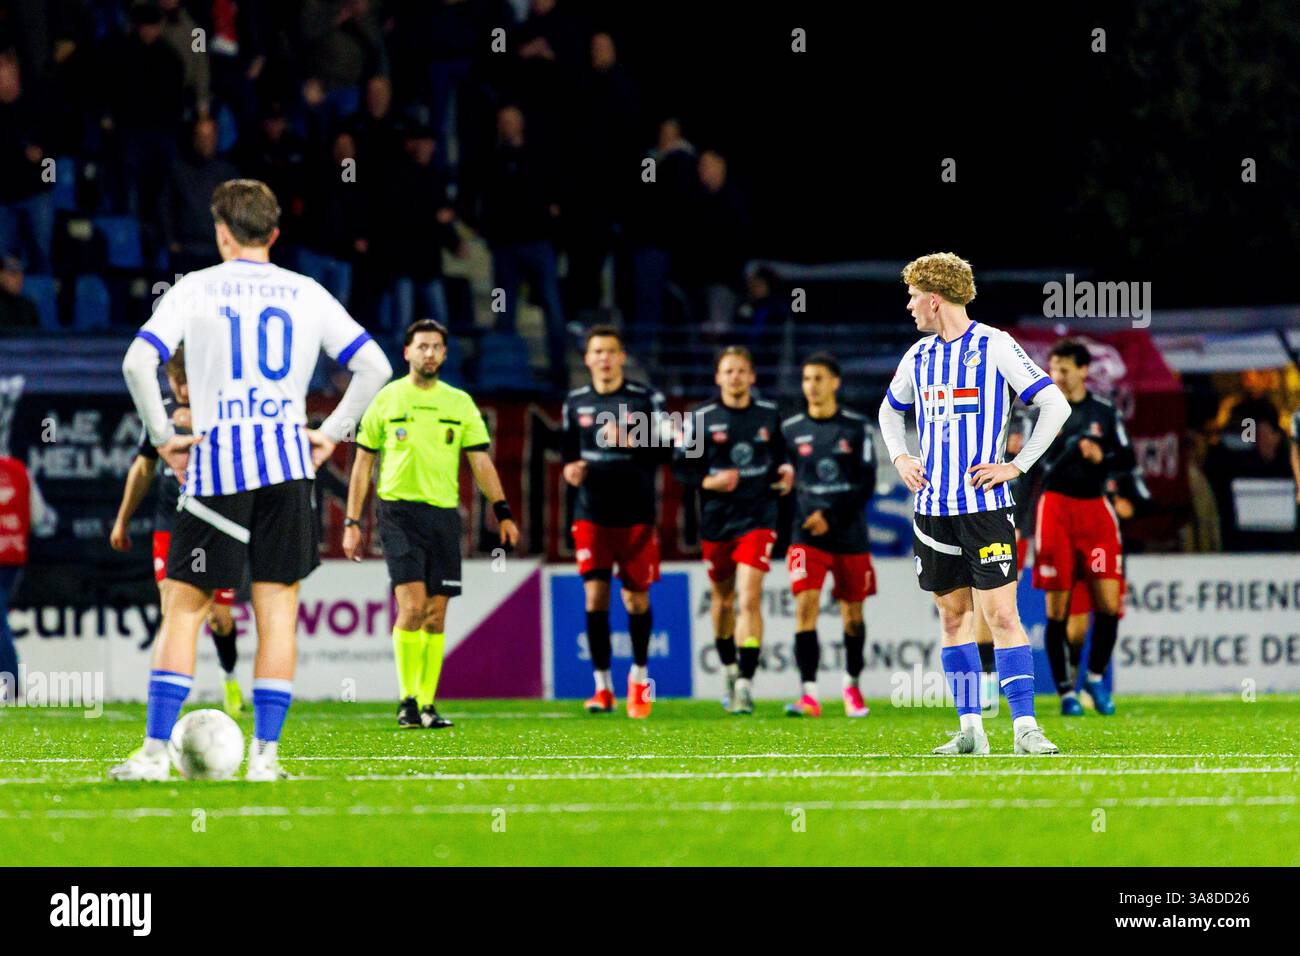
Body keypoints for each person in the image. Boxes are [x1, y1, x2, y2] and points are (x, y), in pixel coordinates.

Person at [111, 178, 391, 781]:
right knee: (278, 614)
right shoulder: (307, 291)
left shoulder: (196, 287)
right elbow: (375, 365)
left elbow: (138, 360)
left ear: (220, 232)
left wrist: (162, 436)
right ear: (274, 233)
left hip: (219, 466)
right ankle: (266, 758)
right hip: (289, 468)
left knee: (185, 610)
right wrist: (330, 433)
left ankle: (156, 755)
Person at [878, 252, 1069, 756]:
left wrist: (1018, 465)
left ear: (934, 299)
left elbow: (1055, 403)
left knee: (1003, 615)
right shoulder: (918, 356)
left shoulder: (994, 344)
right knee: (951, 616)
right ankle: (971, 730)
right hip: (933, 508)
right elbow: (888, 410)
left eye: (914, 296)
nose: (910, 305)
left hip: (983, 508)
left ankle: (1025, 727)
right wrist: (900, 457)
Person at [343, 319, 519, 729]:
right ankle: (406, 699)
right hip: (397, 512)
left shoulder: (459, 403)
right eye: (422, 346)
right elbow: (363, 462)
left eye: (437, 347)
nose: (429, 353)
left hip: (443, 516)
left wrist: (503, 509)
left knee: (436, 615)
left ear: (444, 353)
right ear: (407, 353)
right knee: (412, 606)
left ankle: (426, 705)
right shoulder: (387, 399)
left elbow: (480, 460)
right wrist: (352, 520)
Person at [109, 345, 244, 717]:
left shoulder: (226, 407)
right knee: (173, 609)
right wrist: (122, 519)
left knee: (219, 616)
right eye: (176, 381)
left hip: (219, 522)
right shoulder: (162, 413)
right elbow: (143, 469)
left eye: (188, 381)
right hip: (172, 523)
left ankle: (229, 676)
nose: (183, 389)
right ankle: (170, 697)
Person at [673, 346, 790, 714]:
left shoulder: (769, 415)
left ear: (753, 377)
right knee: (723, 600)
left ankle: (745, 684)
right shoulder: (702, 417)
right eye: (729, 371)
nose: (735, 377)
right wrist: (710, 481)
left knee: (749, 596)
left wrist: (786, 472)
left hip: (758, 517)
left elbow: (782, 458)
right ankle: (728, 667)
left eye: (742, 371)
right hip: (718, 520)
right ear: (718, 378)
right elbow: (682, 469)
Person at [562, 325, 669, 717]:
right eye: (597, 352)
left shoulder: (644, 400)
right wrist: (570, 471)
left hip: (636, 514)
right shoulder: (575, 402)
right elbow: (570, 454)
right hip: (592, 513)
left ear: (622, 357)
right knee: (595, 596)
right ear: (587, 359)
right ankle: (602, 687)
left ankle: (639, 678)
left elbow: (672, 451)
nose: (604, 358)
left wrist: (634, 442)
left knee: (636, 600)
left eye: (611, 351)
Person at [1031, 340, 1135, 716]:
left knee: (1108, 603)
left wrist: (1101, 456)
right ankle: (1065, 693)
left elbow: (1126, 458)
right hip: (1056, 509)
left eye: (1062, 369)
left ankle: (1093, 677)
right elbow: (1035, 465)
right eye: (1052, 369)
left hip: (1095, 511)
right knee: (1056, 610)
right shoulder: (1043, 412)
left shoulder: (1104, 412)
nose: (1055, 376)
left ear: (1083, 371)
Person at [781, 353, 877, 718]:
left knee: (852, 615)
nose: (812, 386)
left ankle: (852, 687)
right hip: (806, 534)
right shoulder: (789, 430)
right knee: (805, 609)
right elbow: (786, 485)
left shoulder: (855, 427)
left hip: (849, 533)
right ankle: (809, 694)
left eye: (819, 378)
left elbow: (866, 484)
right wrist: (810, 518)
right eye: (806, 379)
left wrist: (830, 516)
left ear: (835, 382)